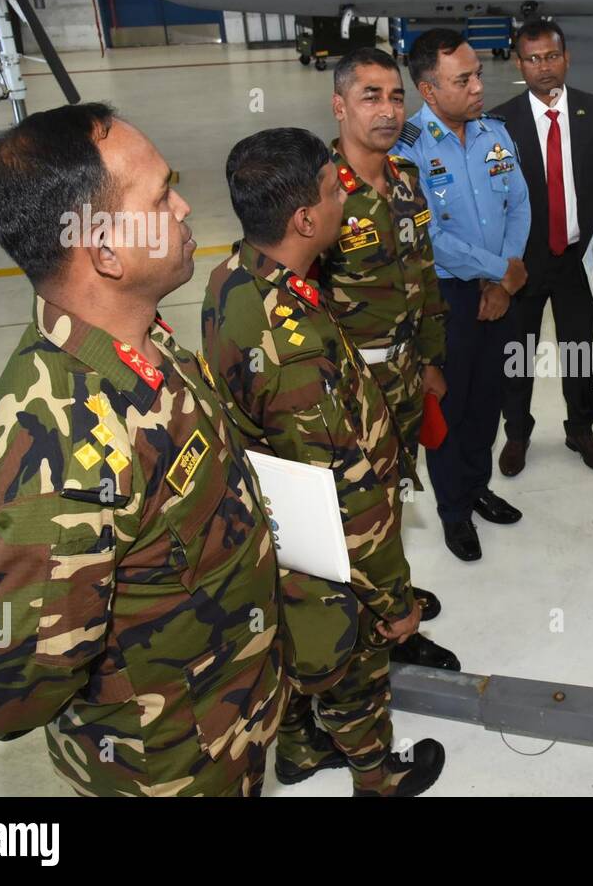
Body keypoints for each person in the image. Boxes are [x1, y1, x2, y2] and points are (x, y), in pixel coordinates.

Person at [0, 103, 285, 796]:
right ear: (104, 251)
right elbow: (9, 697)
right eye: (162, 194)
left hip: (235, 719)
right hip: (171, 768)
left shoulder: (142, 340)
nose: (185, 204)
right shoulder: (59, 459)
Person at [203, 128, 445, 796]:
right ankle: (376, 776)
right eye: (334, 188)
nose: (346, 194)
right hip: (325, 539)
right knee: (354, 658)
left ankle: (302, 749)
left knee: (296, 640)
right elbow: (353, 498)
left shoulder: (232, 278)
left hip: (273, 522)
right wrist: (392, 599)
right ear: (306, 218)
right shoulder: (299, 348)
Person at [321, 46, 458, 671]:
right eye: (370, 96)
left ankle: (388, 591)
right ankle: (383, 631)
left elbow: (424, 275)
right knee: (357, 504)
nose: (387, 109)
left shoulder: (404, 177)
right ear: (340, 105)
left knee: (395, 490)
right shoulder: (320, 192)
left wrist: (431, 359)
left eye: (396, 96)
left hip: (403, 371)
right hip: (348, 383)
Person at [393, 28, 531, 562]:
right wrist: (501, 270)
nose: (479, 86)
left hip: (500, 290)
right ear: (429, 92)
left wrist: (503, 280)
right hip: (446, 298)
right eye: (464, 79)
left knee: (489, 399)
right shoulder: (407, 151)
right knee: (449, 401)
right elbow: (429, 236)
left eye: (477, 74)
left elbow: (518, 202)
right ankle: (454, 511)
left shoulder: (494, 132)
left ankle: (478, 485)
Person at [491, 19, 593, 477]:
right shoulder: (500, 122)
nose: (544, 67)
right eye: (533, 59)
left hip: (577, 259)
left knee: (579, 350)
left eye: (551, 56)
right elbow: (494, 201)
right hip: (523, 264)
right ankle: (517, 433)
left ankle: (580, 428)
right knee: (518, 353)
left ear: (567, 58)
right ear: (519, 63)